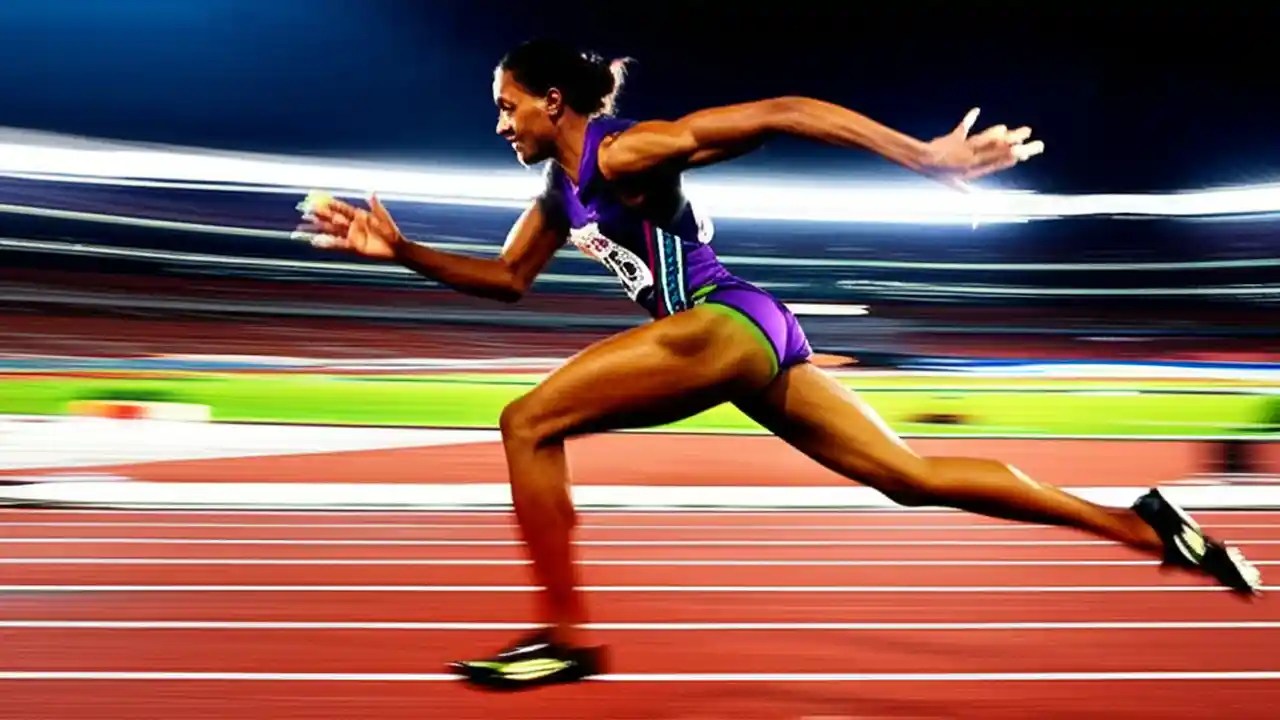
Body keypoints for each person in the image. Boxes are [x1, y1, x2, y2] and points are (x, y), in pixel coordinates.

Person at [296, 38, 1262, 690]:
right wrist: (403, 249)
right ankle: (1139, 524)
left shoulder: (626, 153)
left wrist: (922, 157)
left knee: (526, 421)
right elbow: (509, 279)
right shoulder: (561, 192)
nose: (499, 124)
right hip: (749, 338)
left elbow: (783, 110)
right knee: (910, 478)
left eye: (507, 107)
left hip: (721, 325)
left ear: (553, 103)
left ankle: (564, 636)